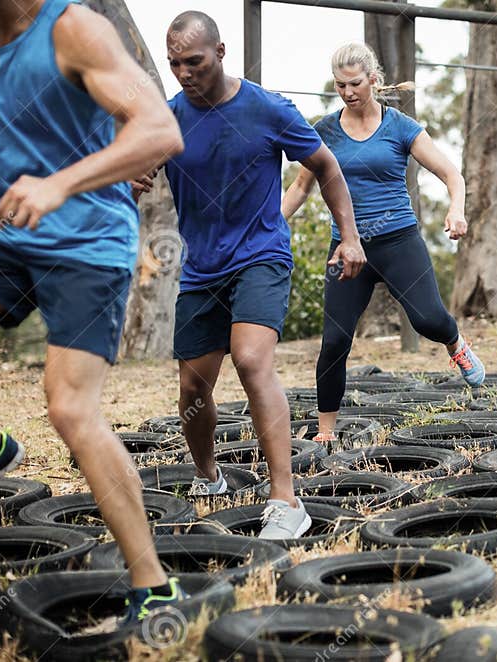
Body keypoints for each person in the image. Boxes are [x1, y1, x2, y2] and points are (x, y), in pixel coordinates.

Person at [0, 0, 186, 624]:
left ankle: (155, 585)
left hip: (88, 244)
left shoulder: (74, 29)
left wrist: (58, 183)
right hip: (11, 237)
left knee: (69, 407)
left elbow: (159, 130)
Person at [134, 12, 364, 539]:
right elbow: (132, 179)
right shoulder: (165, 120)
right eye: (173, 64)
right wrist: (133, 179)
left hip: (261, 254)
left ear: (220, 51)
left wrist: (348, 236)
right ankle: (209, 476)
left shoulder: (266, 108)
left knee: (251, 359)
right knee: (192, 387)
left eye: (193, 61)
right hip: (202, 269)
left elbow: (327, 167)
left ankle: (286, 500)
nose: (183, 73)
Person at [282, 42, 485, 443]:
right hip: (347, 247)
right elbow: (300, 188)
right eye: (339, 85)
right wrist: (269, 225)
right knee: (336, 339)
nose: (347, 92)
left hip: (397, 241)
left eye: (355, 83)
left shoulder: (401, 127)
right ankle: (325, 431)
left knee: (428, 319)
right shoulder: (323, 131)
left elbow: (452, 175)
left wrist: (456, 210)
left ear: (373, 80)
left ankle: (456, 343)